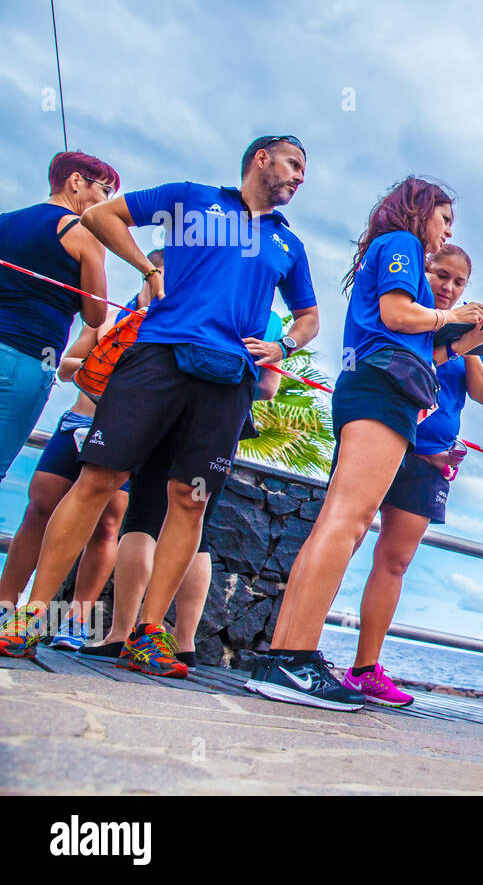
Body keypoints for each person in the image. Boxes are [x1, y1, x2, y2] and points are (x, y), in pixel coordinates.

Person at [0, 136, 320, 679]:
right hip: (158, 358)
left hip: (228, 381)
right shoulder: (192, 198)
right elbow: (104, 215)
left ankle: (149, 636)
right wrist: (148, 271)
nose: (300, 177)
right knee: (98, 479)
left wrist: (285, 345)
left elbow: (309, 317)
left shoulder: (289, 245)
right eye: (294, 164)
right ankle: (30, 615)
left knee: (188, 502)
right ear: (261, 159)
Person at [248, 176, 483, 710]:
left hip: (372, 383)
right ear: (421, 210)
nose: (447, 231)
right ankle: (295, 662)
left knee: (339, 519)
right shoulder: (401, 244)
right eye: (445, 218)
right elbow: (398, 315)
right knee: (349, 521)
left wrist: (463, 342)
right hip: (383, 392)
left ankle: (284, 655)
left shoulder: (384, 249)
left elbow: (403, 333)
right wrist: (453, 315)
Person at [82, 293, 286, 668]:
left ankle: (121, 633)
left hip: (163, 401)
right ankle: (182, 641)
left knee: (144, 515)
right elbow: (268, 388)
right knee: (197, 525)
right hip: (221, 415)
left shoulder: (186, 296)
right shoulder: (269, 320)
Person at [341, 243, 483, 707]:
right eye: (440, 275)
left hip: (429, 460)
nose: (448, 287)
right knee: (345, 536)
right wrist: (450, 333)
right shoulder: (410, 316)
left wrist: (474, 346)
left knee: (395, 561)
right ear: (422, 271)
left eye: (458, 282)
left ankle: (365, 669)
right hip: (383, 437)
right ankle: (298, 644)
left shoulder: (463, 326)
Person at [0, 269, 141, 644]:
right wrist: (108, 365)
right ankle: (6, 605)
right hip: (77, 420)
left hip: (124, 431)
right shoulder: (111, 318)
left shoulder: (171, 325)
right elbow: (65, 367)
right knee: (38, 510)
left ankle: (77, 621)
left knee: (107, 524)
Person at [0, 151, 114, 487]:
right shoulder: (85, 233)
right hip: (27, 357)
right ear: (76, 181)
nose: (107, 200)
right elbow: (95, 314)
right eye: (106, 190)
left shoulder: (5, 219)